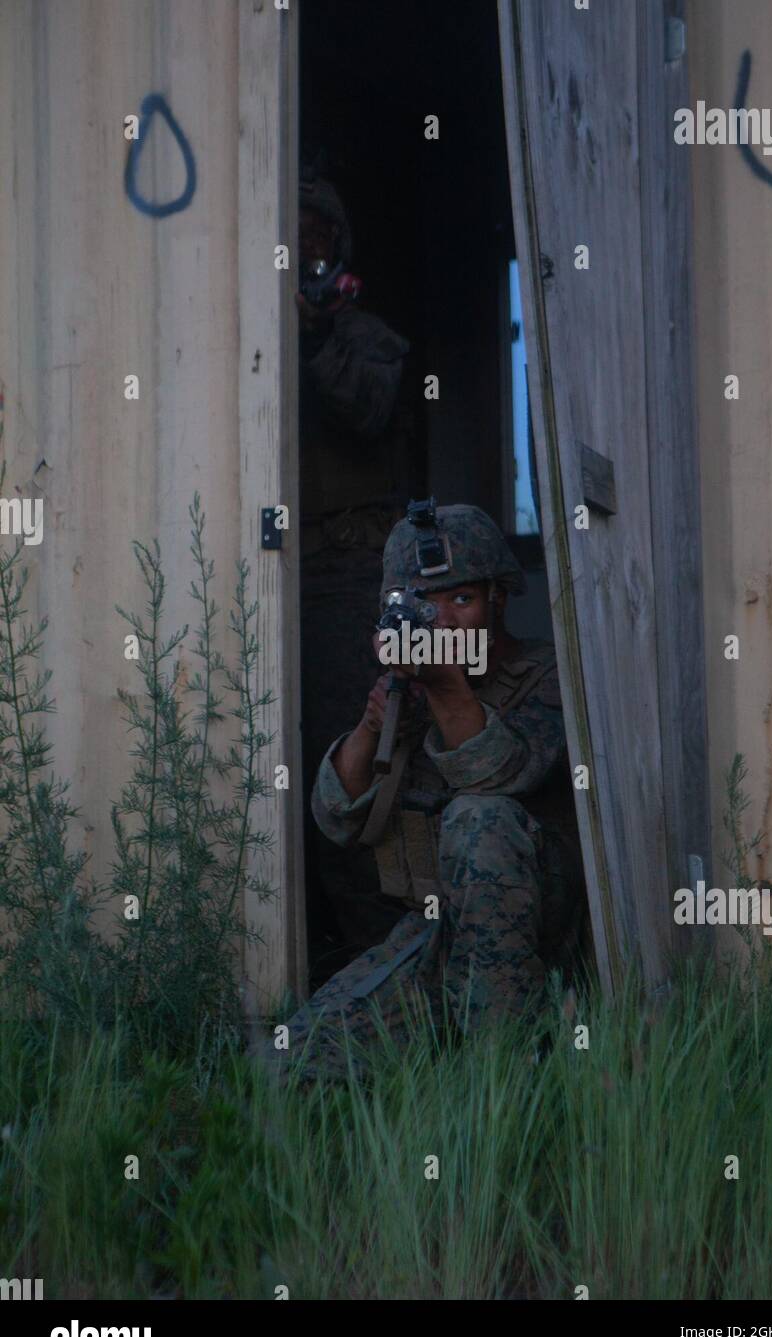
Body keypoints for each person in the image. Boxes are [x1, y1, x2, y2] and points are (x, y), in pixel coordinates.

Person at [284, 503, 585, 1080]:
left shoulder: (548, 678)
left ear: (498, 599)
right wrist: (378, 722)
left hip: (540, 938)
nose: (442, 622)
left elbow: (501, 778)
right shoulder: (408, 688)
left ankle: (505, 1074)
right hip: (432, 935)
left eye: (462, 600)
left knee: (481, 816)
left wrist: (447, 688)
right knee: (296, 1062)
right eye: (424, 605)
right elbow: (338, 818)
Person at [297, 169, 418, 973]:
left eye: (317, 234)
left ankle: (371, 960)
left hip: (345, 569)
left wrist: (313, 334)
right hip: (271, 567)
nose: (305, 247)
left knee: (348, 765)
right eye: (292, 233)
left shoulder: (364, 337)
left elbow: (365, 409)